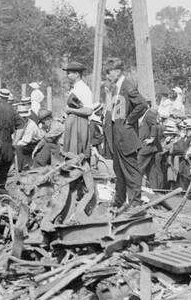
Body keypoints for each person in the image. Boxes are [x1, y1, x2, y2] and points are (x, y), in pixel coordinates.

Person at [104, 58, 146, 208]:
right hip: (117, 134)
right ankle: (119, 202)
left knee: (131, 171)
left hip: (126, 135)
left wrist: (129, 121)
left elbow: (142, 104)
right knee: (119, 171)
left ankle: (135, 204)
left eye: (109, 73)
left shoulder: (127, 85)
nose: (107, 76)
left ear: (117, 71)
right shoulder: (116, 87)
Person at [61, 61, 96, 156]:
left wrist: (70, 110)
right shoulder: (75, 88)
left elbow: (89, 110)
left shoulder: (83, 89)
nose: (67, 76)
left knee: (76, 154)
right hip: (72, 124)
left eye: (69, 73)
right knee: (69, 154)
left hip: (79, 124)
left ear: (76, 74)